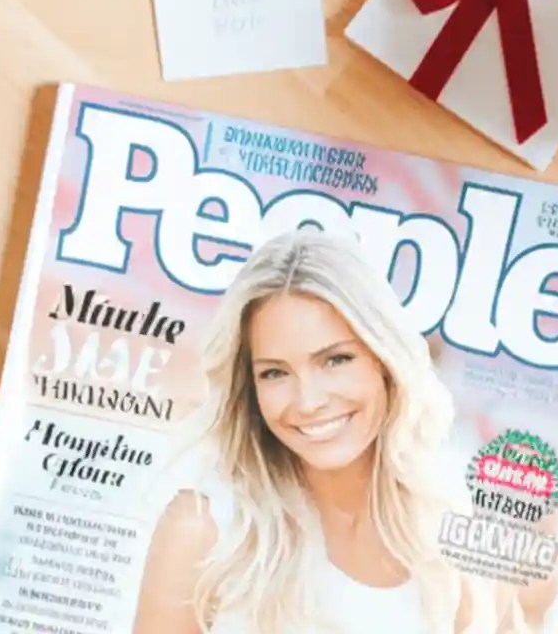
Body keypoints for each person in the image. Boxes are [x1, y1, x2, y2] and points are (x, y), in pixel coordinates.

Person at [133, 230, 500, 634]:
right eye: (275, 372)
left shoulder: (444, 529)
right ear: (250, 387)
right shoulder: (204, 528)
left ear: (383, 360)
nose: (308, 401)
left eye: (335, 360)